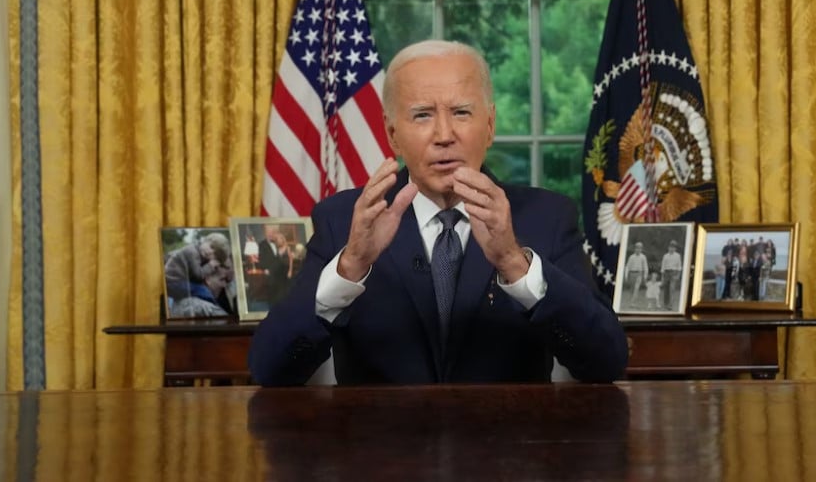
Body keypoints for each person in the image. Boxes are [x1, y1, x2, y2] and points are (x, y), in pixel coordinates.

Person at [249, 40, 628, 385]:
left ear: (490, 125)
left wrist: (515, 263)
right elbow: (270, 370)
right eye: (422, 115)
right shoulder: (343, 220)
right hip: (379, 457)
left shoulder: (546, 217)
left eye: (461, 112)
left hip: (509, 452)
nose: (444, 134)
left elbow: (605, 363)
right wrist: (349, 266)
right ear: (392, 133)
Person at [660, 240, 683, 309]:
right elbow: (663, 266)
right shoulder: (665, 256)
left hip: (673, 273)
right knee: (666, 289)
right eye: (670, 247)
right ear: (668, 247)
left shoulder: (677, 256)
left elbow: (679, 266)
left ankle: (670, 305)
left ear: (675, 248)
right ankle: (665, 304)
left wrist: (678, 275)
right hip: (666, 273)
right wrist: (662, 276)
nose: (672, 249)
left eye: (673, 247)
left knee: (672, 289)